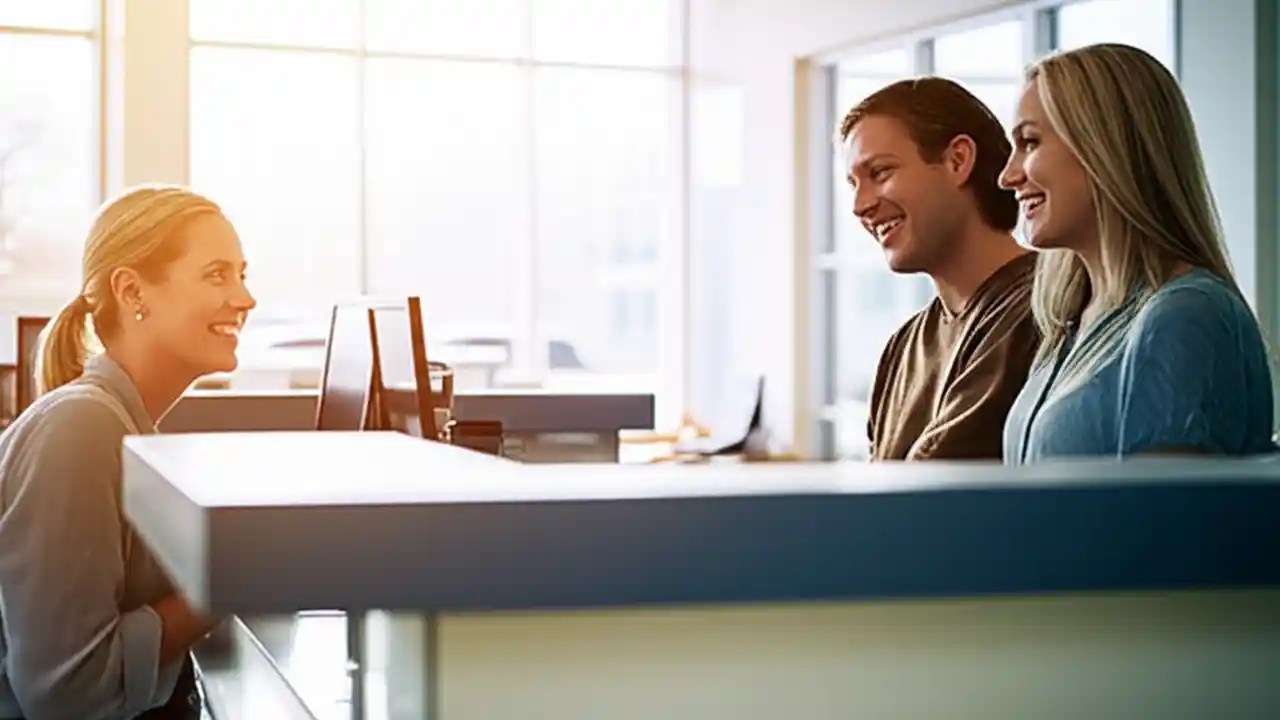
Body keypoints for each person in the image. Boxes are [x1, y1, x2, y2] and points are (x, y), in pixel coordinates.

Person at [0, 184, 257, 718]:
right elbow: (65, 697)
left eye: (242, 274)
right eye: (217, 275)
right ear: (133, 291)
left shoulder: (120, 425)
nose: (245, 299)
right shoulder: (79, 427)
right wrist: (228, 580)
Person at [999, 43, 1275, 464]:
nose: (1008, 176)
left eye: (1030, 142)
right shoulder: (1072, 322)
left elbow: (1164, 507)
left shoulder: (1184, 314)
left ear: (1103, 146)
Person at [838, 77, 1039, 460]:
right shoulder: (902, 348)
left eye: (880, 173)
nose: (860, 206)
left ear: (957, 160)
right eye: (854, 184)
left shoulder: (1043, 308)